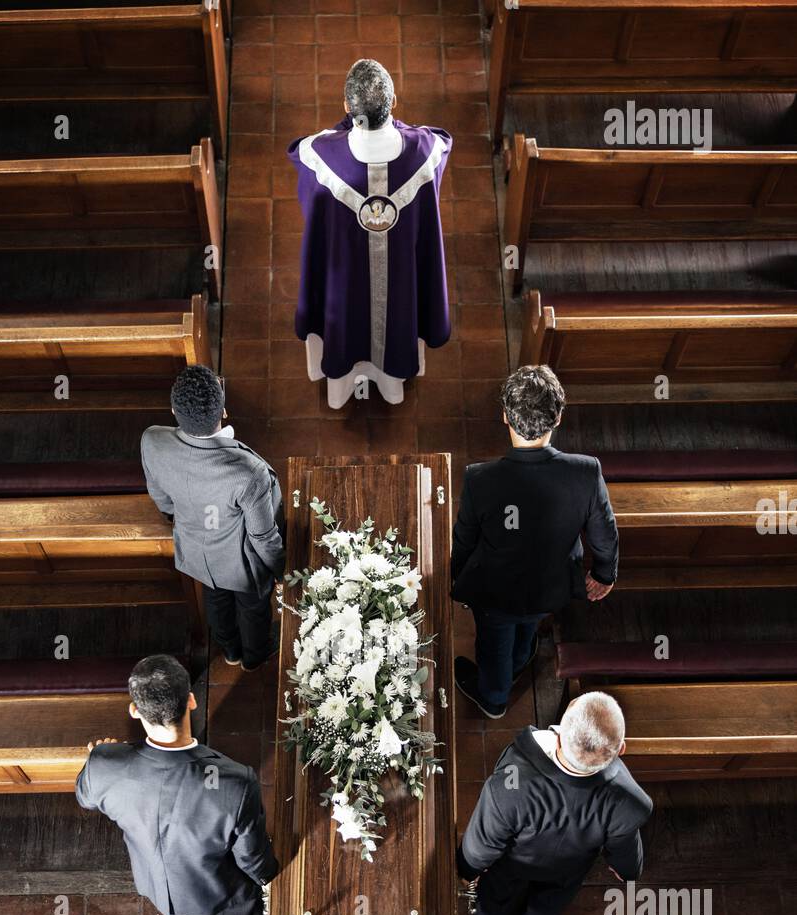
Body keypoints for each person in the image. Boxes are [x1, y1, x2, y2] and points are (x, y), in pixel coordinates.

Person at [75, 654, 278, 915]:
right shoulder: (236, 782)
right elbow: (251, 857)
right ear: (192, 701)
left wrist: (102, 758)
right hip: (224, 887)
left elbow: (85, 797)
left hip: (163, 887)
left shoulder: (104, 765)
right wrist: (267, 876)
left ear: (134, 710)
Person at [451, 364, 619, 718]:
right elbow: (604, 531)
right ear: (557, 418)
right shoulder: (586, 472)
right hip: (552, 586)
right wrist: (604, 573)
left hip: (497, 591)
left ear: (505, 417)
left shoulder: (480, 479)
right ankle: (521, 656)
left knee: (493, 644)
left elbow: (465, 537)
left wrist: (459, 576)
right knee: (529, 621)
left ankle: (495, 698)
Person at [288, 58, 452, 409]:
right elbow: (435, 137)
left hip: (343, 283)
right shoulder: (426, 152)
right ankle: (392, 384)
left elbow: (308, 169)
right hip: (402, 279)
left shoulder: (320, 158)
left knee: (348, 315)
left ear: (347, 108)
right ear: (393, 104)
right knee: (395, 310)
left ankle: (341, 389)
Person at [458, 691, 653, 915]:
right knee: (549, 905)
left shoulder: (509, 784)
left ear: (560, 732)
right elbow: (625, 847)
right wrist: (629, 870)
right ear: (621, 749)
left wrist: (468, 869)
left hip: (512, 864)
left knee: (493, 903)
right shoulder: (631, 800)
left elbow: (482, 844)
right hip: (569, 869)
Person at [140, 365, 285, 671]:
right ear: (224, 411)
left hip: (195, 550)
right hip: (242, 564)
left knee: (215, 598)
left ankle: (230, 651)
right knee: (253, 608)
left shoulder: (152, 441)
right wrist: (280, 569)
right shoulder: (248, 471)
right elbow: (262, 536)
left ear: (173, 410)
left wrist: (176, 514)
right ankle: (254, 656)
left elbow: (161, 497)